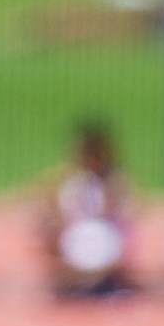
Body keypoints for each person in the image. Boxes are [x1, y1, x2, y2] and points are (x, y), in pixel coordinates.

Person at [36, 122, 133, 299]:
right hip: (76, 239)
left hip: (106, 240)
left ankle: (98, 276)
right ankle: (77, 276)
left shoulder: (113, 181)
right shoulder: (72, 181)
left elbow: (128, 214)